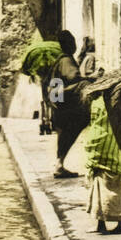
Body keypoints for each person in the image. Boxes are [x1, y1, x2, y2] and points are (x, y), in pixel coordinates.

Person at [84, 95, 121, 233]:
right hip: (119, 147)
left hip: (103, 147)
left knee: (100, 188)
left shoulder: (97, 102)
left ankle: (101, 224)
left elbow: (95, 125)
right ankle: (119, 224)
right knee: (120, 186)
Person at [49, 30, 84, 178]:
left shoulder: (59, 60)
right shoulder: (66, 60)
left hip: (59, 105)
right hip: (67, 107)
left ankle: (59, 165)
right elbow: (74, 78)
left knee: (64, 136)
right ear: (70, 44)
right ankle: (59, 164)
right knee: (69, 134)